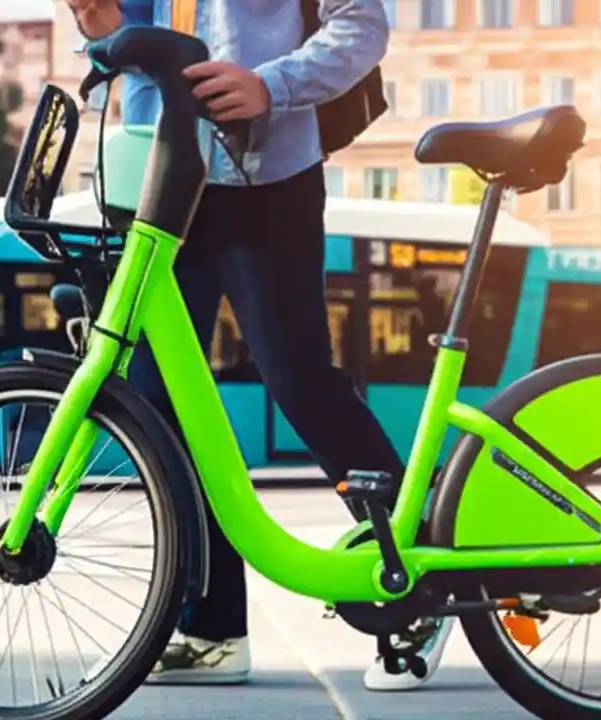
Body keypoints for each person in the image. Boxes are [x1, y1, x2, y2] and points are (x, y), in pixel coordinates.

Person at [66, 0, 454, 693]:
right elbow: (127, 47)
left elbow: (362, 26)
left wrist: (269, 84)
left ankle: (415, 579)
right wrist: (98, 25)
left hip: (267, 179)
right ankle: (212, 629)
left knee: (299, 380)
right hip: (162, 176)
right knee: (162, 404)